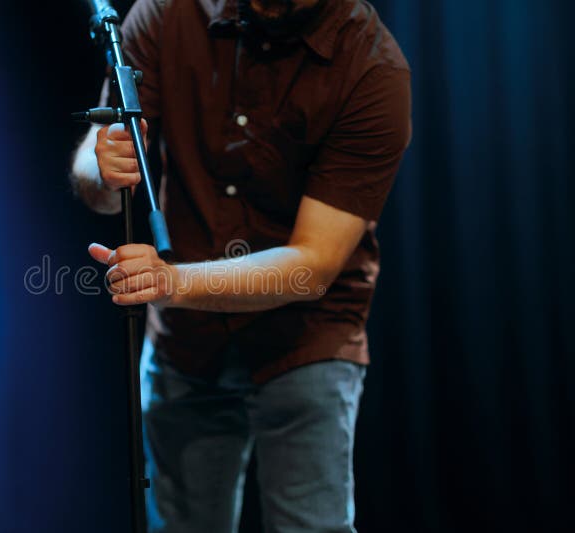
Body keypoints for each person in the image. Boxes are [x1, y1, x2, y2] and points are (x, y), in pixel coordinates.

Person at [71, 0, 411, 531]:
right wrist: (100, 166)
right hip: (187, 339)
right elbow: (98, 168)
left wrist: (172, 280)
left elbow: (312, 264)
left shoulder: (373, 68)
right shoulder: (167, 14)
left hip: (305, 340)